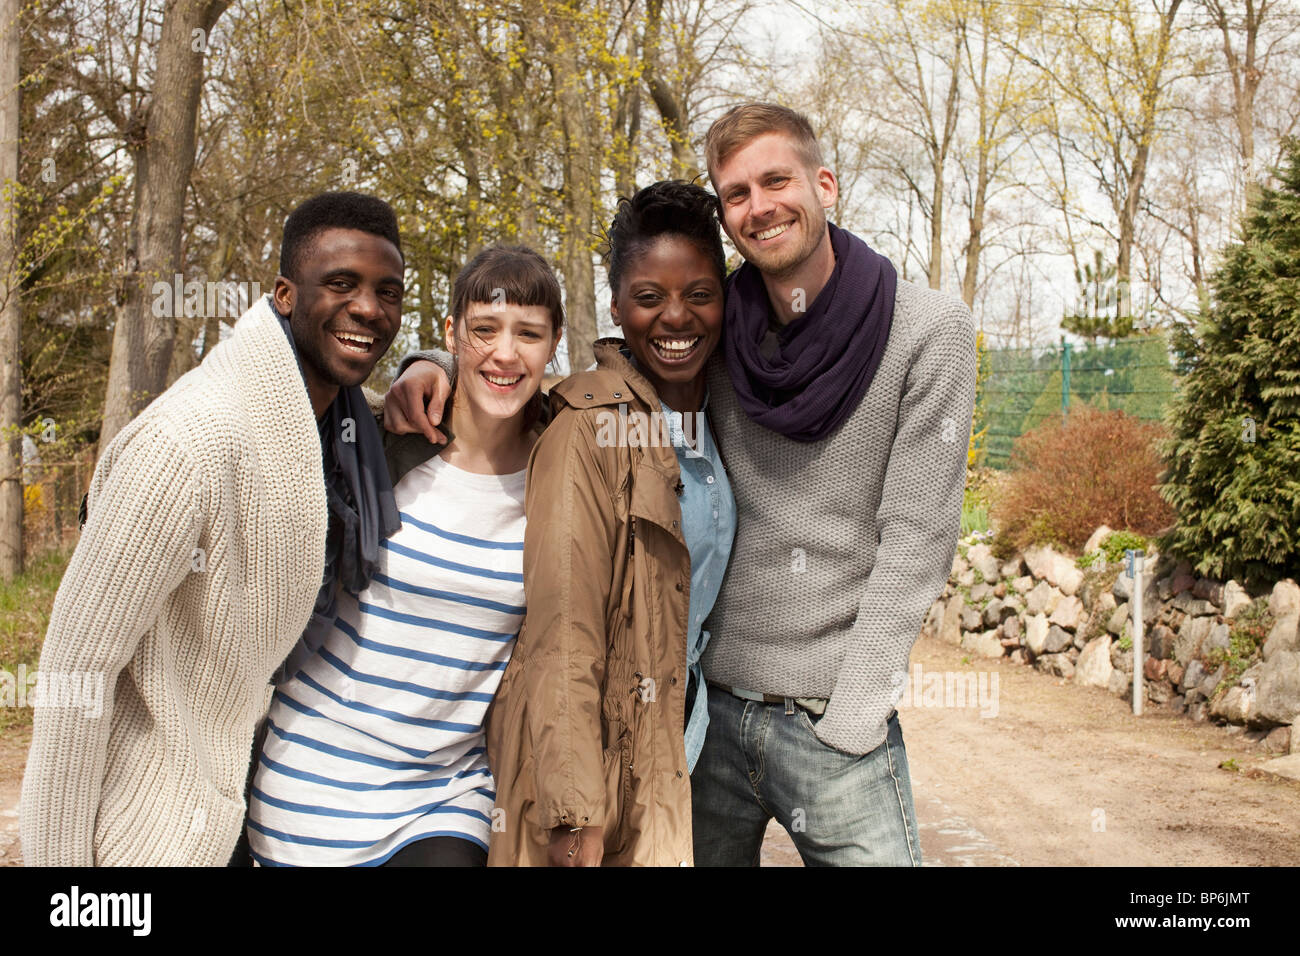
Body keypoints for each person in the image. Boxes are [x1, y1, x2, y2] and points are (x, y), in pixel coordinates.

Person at [389, 103, 976, 867]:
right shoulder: (720, 337)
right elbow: (546, 403)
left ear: (825, 184)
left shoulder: (923, 331)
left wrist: (855, 717)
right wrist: (429, 365)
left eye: (777, 181)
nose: (760, 206)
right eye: (737, 193)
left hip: (834, 726)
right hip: (699, 727)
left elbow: (918, 542)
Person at [20, 191, 406, 865]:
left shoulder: (341, 428)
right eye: (341, 284)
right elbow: (74, 671)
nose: (369, 308)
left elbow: (433, 400)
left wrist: (438, 364)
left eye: (388, 291)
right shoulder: (188, 445)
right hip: (158, 829)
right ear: (284, 294)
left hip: (265, 811)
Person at [387, 181, 735, 865]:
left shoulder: (714, 410)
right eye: (647, 297)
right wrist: (574, 813)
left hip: (674, 754)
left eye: (698, 294)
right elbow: (562, 633)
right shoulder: (589, 428)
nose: (675, 317)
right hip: (594, 778)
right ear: (613, 307)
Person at [246, 245, 563, 866]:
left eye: (529, 333)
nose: (505, 353)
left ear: (553, 344)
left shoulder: (565, 472)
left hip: (448, 793)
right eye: (483, 331)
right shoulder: (374, 450)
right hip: (314, 774)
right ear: (450, 332)